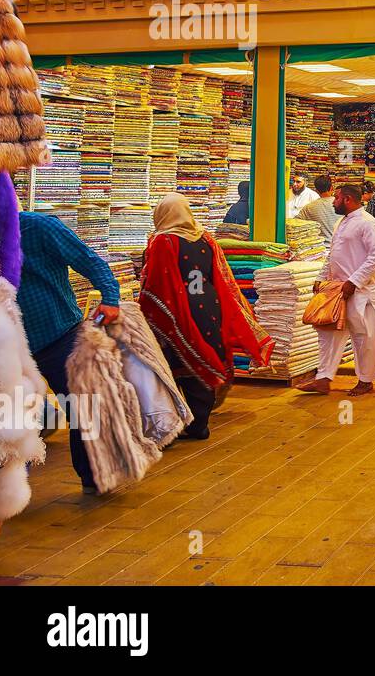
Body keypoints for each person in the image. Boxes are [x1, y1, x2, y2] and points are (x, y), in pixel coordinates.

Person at [140, 193, 273, 439]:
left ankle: (171, 424)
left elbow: (156, 283)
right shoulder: (206, 239)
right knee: (203, 356)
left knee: (170, 363)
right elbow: (218, 276)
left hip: (176, 309)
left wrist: (147, 311)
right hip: (208, 306)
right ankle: (199, 422)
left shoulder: (163, 241)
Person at [17, 211, 121, 494]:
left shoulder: (38, 227)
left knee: (85, 406)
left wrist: (110, 298)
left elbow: (88, 260)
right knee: (10, 417)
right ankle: (8, 491)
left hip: (59, 334)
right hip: (9, 346)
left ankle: (95, 474)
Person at [298, 184, 375, 396]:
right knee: (329, 335)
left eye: (336, 198)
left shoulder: (367, 223)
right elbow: (332, 255)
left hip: (361, 292)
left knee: (364, 337)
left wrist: (354, 281)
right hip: (337, 291)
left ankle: (365, 381)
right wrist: (321, 278)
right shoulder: (341, 222)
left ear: (347, 199)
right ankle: (323, 378)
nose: (333, 201)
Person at [300, 175, 342, 243]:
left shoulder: (308, 207)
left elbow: (296, 223)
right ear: (332, 188)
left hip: (319, 247)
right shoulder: (341, 204)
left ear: (316, 190)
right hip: (339, 245)